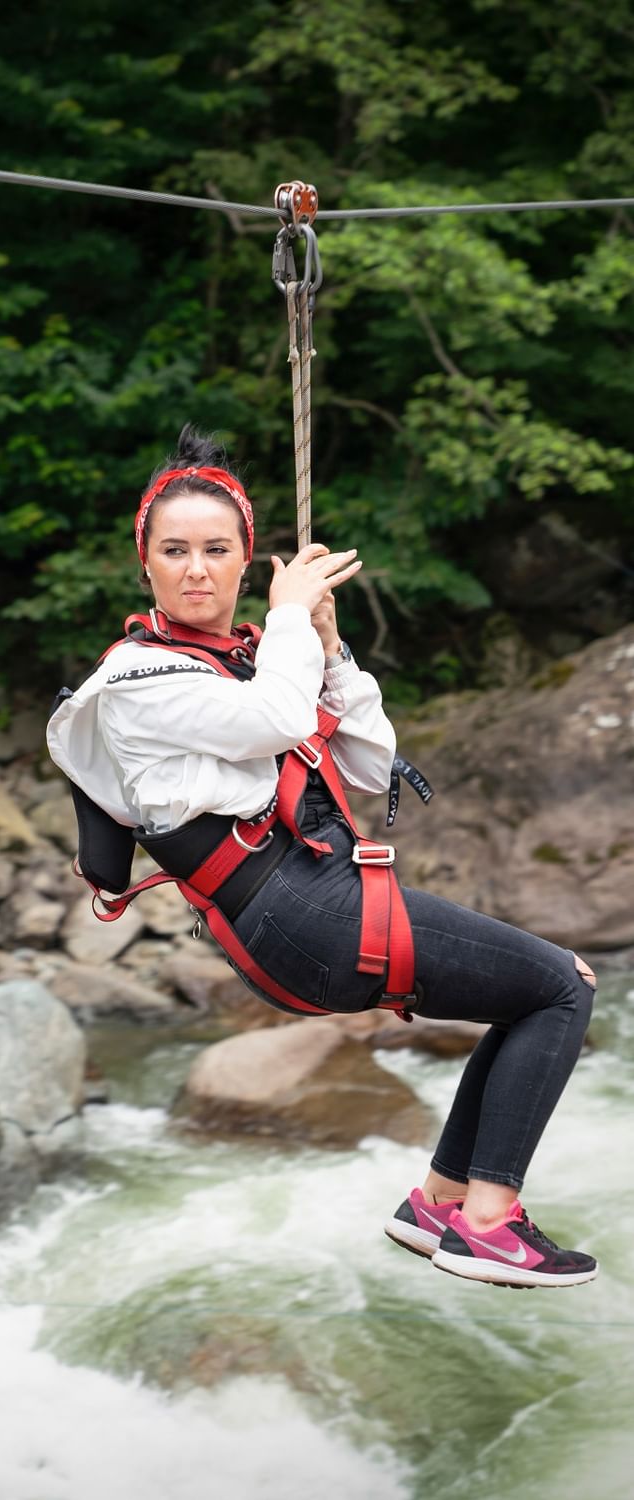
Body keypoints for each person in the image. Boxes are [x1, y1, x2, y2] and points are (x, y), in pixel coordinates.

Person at [46, 425, 599, 1289]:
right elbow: (272, 721)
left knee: (539, 993)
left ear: (244, 561)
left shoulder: (251, 661)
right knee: (565, 986)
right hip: (297, 911)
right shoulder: (136, 682)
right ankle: (491, 1222)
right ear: (144, 564)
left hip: (320, 901)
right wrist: (293, 621)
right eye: (176, 550)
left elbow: (369, 766)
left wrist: (329, 646)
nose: (197, 568)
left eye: (216, 550)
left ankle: (442, 1204)